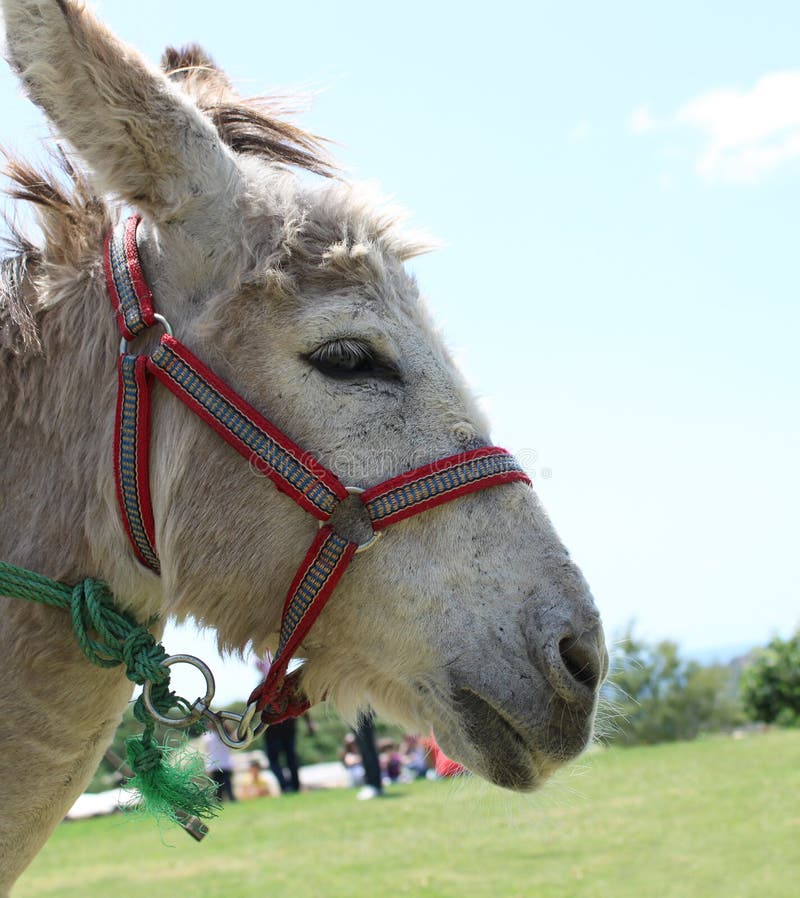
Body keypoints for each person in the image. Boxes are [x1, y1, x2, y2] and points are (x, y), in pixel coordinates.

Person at [263, 713, 315, 794]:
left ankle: (287, 786)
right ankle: (293, 786)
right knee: (290, 759)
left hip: (275, 728)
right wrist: (309, 722)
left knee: (276, 761)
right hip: (285, 726)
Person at [354, 711, 383, 800]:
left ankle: (373, 784)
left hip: (361, 709)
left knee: (367, 747)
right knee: (364, 748)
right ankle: (372, 784)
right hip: (357, 711)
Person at [201, 728, 237, 801]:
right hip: (219, 765)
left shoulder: (209, 736)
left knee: (223, 787)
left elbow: (205, 751)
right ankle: (225, 800)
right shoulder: (225, 734)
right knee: (221, 788)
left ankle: (227, 800)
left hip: (220, 764)